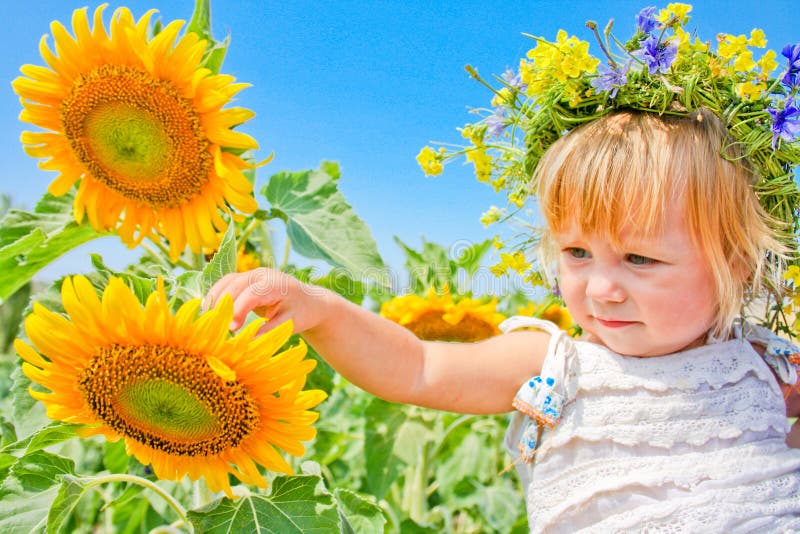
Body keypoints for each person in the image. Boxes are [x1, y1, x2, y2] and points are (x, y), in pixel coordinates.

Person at [206, 6, 800, 530]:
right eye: (576, 253)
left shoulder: (763, 366)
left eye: (640, 258)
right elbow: (418, 367)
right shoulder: (556, 367)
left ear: (737, 264)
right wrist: (320, 310)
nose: (600, 288)